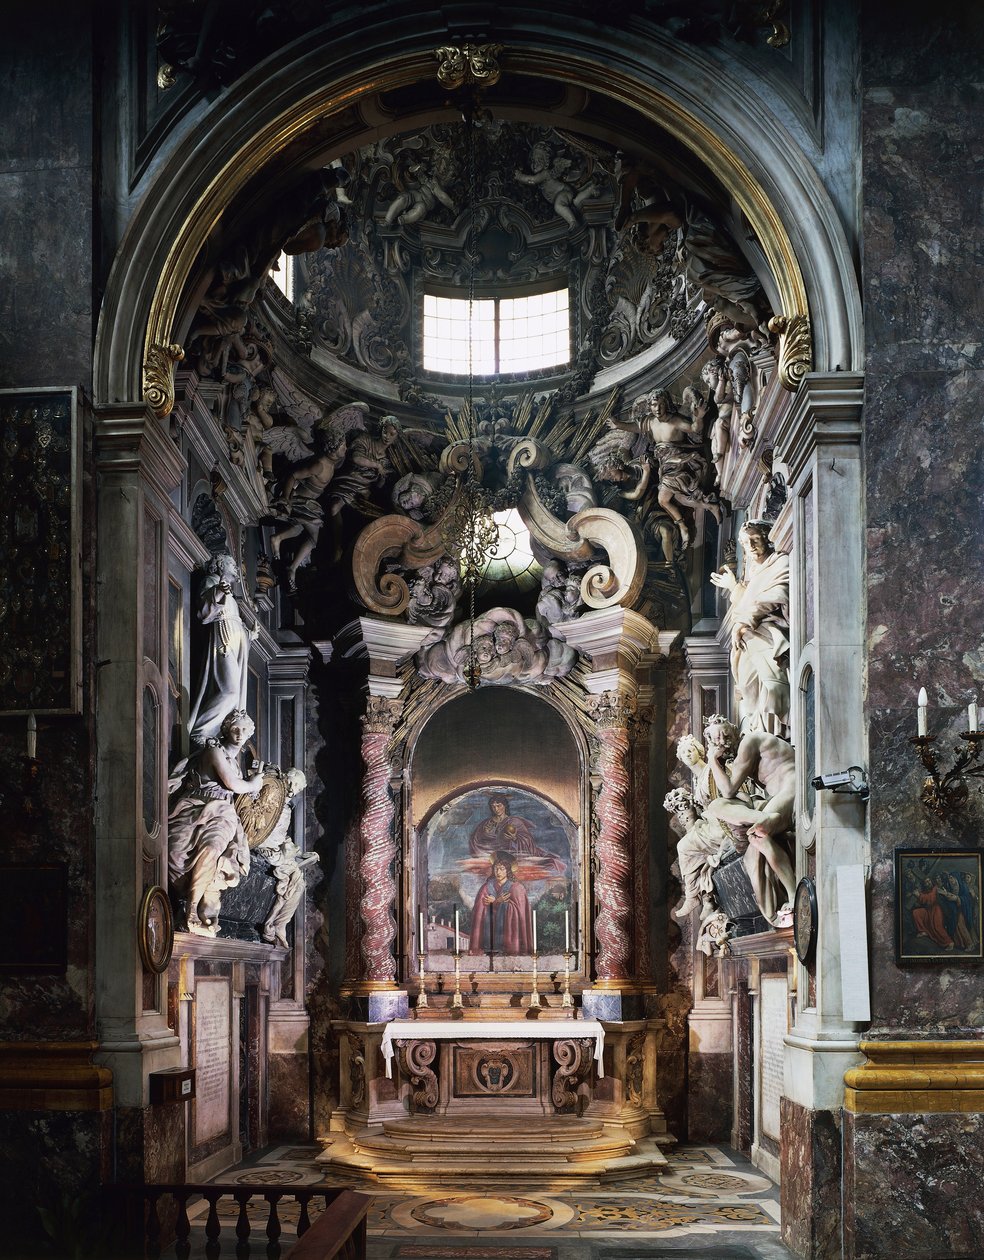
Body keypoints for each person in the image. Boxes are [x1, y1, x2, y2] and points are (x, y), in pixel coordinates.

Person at [168, 709, 264, 937]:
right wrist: (255, 783)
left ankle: (191, 911)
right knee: (174, 853)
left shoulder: (235, 761)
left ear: (250, 733)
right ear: (226, 730)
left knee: (212, 850)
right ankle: (187, 905)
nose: (239, 734)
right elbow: (235, 785)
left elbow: (234, 789)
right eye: (235, 729)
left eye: (244, 730)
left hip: (222, 814)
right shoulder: (214, 751)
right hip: (194, 807)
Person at [704, 721, 797, 923]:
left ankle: (792, 893)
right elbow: (729, 795)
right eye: (717, 739)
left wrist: (711, 759)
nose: (723, 741)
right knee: (716, 806)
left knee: (757, 836)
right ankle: (761, 818)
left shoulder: (749, 741)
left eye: (725, 734)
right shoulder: (742, 752)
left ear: (734, 729)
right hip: (776, 798)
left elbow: (728, 789)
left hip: (792, 790)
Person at [710, 521, 791, 737]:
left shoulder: (780, 563)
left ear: (766, 538)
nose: (752, 546)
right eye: (746, 543)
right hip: (748, 640)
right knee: (747, 686)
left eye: (755, 539)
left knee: (773, 688)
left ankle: (778, 735)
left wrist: (745, 621)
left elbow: (778, 594)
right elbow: (747, 600)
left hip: (768, 635)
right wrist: (733, 587)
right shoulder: (753, 574)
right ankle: (760, 732)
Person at [187, 553, 257, 744]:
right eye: (232, 564)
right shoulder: (211, 581)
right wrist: (218, 591)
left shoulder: (230, 593)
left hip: (234, 638)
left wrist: (249, 635)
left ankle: (215, 733)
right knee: (230, 692)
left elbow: (234, 619)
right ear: (219, 566)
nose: (236, 568)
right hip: (224, 639)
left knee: (234, 698)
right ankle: (201, 732)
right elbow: (204, 611)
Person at [270, 428, 349, 590]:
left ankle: (278, 540)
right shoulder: (319, 465)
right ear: (334, 448)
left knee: (299, 529)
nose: (345, 449)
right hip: (299, 500)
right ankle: (292, 567)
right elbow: (293, 476)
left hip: (309, 503)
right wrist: (286, 498)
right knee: (314, 535)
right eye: (343, 446)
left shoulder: (334, 462)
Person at [256, 769, 319, 949]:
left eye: (297, 788)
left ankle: (280, 923)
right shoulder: (268, 797)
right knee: (292, 880)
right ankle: (274, 924)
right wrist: (285, 852)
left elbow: (281, 836)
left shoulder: (286, 807)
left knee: (298, 883)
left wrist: (300, 854)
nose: (293, 790)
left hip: (278, 850)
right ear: (286, 779)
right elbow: (256, 828)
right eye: (293, 784)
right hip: (266, 849)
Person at [468, 794, 567, 877]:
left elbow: (527, 840)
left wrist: (515, 838)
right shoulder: (486, 823)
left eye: (499, 805)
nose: (496, 809)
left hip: (512, 855)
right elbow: (475, 840)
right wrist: (483, 832)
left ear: (505, 806)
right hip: (490, 856)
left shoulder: (514, 821)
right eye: (493, 806)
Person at [468, 854, 533, 954]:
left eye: (502, 869)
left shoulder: (516, 888)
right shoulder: (486, 887)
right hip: (489, 932)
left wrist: (497, 902)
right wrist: (496, 902)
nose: (498, 872)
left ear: (508, 870)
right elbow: (479, 909)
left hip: (508, 932)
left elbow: (519, 912)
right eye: (496, 869)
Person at [911, 877, 954, 950]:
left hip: (937, 910)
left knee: (937, 926)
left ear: (931, 881)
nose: (928, 883)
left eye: (929, 881)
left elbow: (931, 898)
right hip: (929, 910)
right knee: (916, 913)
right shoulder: (926, 890)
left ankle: (949, 942)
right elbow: (923, 900)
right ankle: (923, 931)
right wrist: (918, 898)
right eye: (926, 882)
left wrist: (919, 896)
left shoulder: (935, 888)